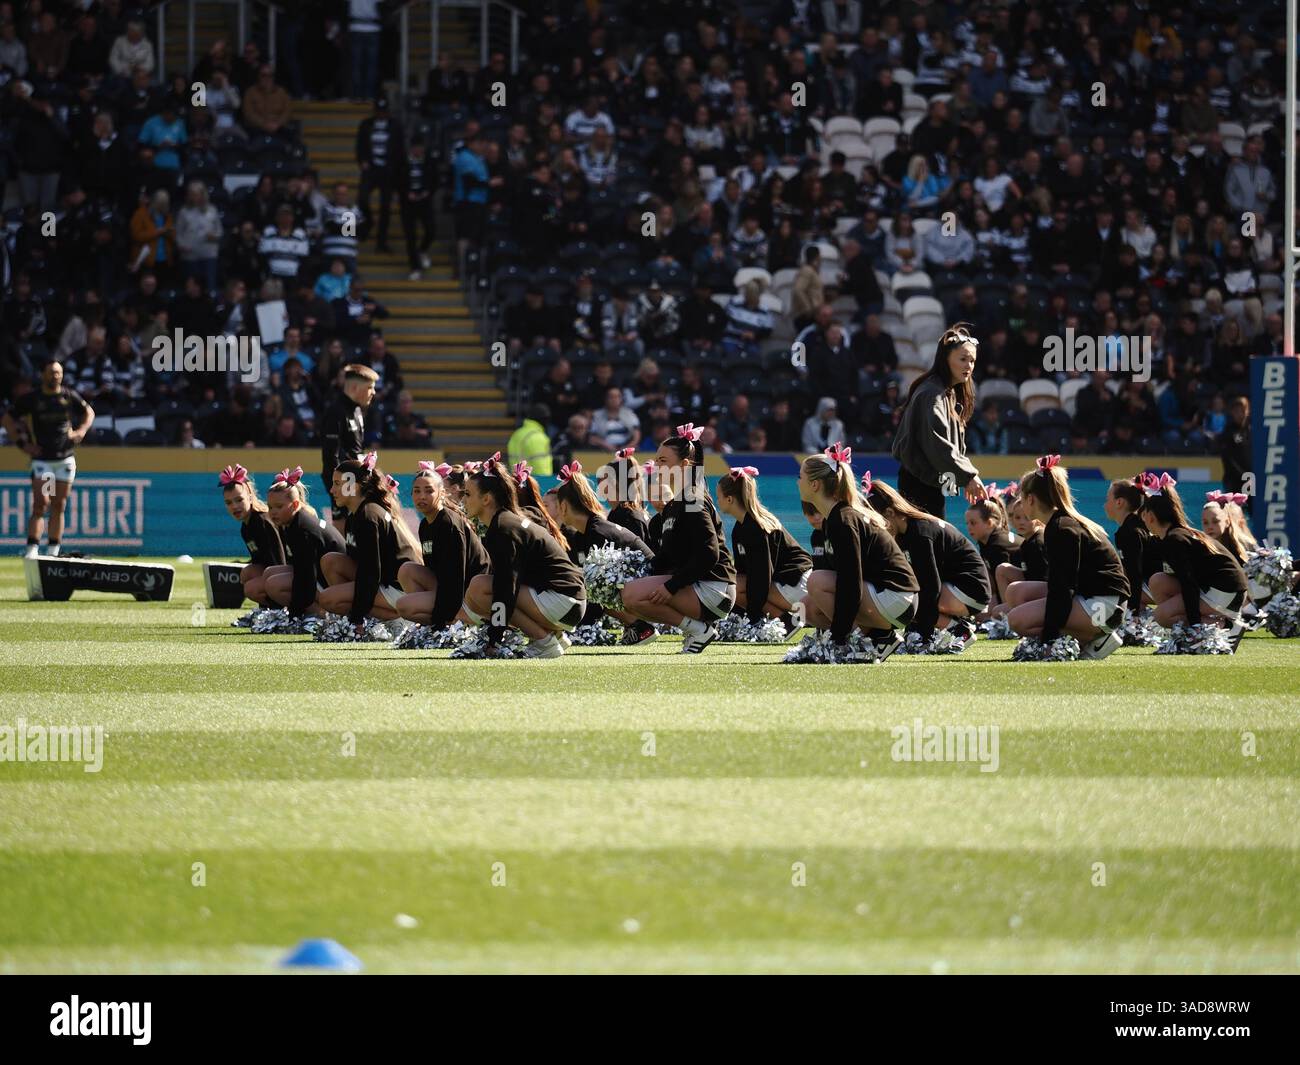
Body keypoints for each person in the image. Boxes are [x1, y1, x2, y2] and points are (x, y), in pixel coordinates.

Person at [621, 424, 738, 654]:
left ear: (684, 465)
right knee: (628, 590)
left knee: (632, 595)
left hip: (715, 589)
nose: (656, 466)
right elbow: (668, 557)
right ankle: (696, 630)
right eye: (656, 460)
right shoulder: (677, 502)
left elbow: (709, 552)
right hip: (702, 586)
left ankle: (698, 630)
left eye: (663, 461)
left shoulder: (692, 499)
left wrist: (671, 587)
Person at [797, 444, 920, 659]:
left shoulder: (843, 520)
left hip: (897, 599)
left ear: (815, 485)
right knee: (808, 606)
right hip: (892, 598)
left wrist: (839, 637)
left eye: (801, 477)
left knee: (816, 581)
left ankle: (857, 643)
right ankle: (880, 638)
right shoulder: (835, 517)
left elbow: (850, 581)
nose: (798, 482)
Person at [460, 456, 587, 658]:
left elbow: (505, 587)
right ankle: (553, 635)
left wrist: (494, 638)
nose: (463, 500)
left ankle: (544, 642)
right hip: (568, 602)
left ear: (486, 499)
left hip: (565, 602)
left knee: (480, 588)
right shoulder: (506, 521)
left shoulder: (503, 528)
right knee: (477, 593)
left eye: (467, 494)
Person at [1005, 456, 1131, 659]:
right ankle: (1085, 634)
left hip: (1104, 604)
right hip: (1094, 596)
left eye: (1021, 497)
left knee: (1017, 620)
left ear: (1031, 499)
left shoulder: (1061, 528)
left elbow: (1063, 588)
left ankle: (1092, 639)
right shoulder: (1060, 523)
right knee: (1015, 592)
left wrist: (1049, 638)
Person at [865, 475, 990, 647]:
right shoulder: (906, 532)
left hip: (971, 589)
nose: (877, 530)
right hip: (954, 585)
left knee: (913, 600)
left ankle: (959, 630)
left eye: (878, 523)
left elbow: (930, 587)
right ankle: (946, 626)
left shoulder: (920, 532)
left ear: (890, 513)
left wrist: (924, 630)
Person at [890, 323, 987, 518]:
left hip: (928, 486)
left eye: (972, 361)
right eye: (963, 359)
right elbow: (937, 444)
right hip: (918, 488)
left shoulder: (943, 392)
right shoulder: (932, 395)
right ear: (945, 358)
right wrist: (969, 476)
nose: (969, 366)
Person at [1143, 474, 1249, 649]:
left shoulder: (1175, 539)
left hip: (1227, 592)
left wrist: (1194, 622)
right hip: (1217, 587)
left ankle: (1226, 627)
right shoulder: (1173, 535)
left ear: (1151, 516)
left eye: (1143, 512)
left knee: (1161, 616)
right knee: (1157, 581)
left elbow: (1188, 582)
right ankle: (1185, 635)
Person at [4, 361, 94, 559]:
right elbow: (8, 419)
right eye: (52, 372)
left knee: (59, 504)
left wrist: (81, 431)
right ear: (43, 374)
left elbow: (89, 412)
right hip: (44, 461)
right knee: (41, 503)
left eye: (59, 373)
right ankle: (32, 549)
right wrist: (22, 443)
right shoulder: (33, 399)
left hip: (65, 460)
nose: (56, 376)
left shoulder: (68, 396)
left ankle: (53, 550)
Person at [320, 453, 422, 626]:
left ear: (355, 486)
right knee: (331, 561)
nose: (331, 490)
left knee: (329, 599)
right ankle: (375, 618)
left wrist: (356, 616)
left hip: (398, 588)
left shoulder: (368, 516)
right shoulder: (357, 514)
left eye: (337, 484)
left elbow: (370, 572)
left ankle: (398, 622)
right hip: (382, 581)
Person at [393, 463, 489, 627]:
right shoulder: (425, 525)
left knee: (404, 606)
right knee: (407, 570)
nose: (422, 496)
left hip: (470, 596)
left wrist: (441, 616)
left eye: (429, 491)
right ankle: (439, 625)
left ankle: (455, 622)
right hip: (449, 588)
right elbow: (435, 572)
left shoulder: (448, 523)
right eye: (417, 491)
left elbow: (457, 577)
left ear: (442, 493)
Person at [716, 466, 812, 627]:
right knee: (735, 582)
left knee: (734, 585)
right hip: (785, 584)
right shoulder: (740, 528)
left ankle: (783, 622)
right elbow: (744, 573)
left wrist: (753, 616)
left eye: (718, 497)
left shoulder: (755, 527)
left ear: (730, 499)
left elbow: (761, 576)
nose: (717, 501)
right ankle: (786, 620)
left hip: (798, 585)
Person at [263, 465, 345, 618]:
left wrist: (295, 613)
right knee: (269, 574)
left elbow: (306, 576)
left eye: (279, 507)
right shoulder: (292, 522)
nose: (273, 512)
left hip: (332, 581)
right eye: (270, 507)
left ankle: (321, 615)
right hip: (321, 576)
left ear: (295, 505)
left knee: (274, 585)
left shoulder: (303, 529)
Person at [219, 464, 285, 608]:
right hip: (274, 573)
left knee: (251, 588)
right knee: (247, 572)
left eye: (239, 500)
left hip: (288, 573)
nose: (234, 506)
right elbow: (259, 560)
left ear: (250, 497)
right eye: (228, 503)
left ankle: (281, 610)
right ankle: (269, 609)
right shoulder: (246, 527)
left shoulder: (262, 522)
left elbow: (279, 562)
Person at [320, 364, 378, 527]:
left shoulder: (358, 411)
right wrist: (340, 490)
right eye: (369, 387)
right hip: (346, 487)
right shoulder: (335, 412)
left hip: (359, 484)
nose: (373, 392)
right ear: (354, 387)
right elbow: (331, 458)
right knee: (345, 539)